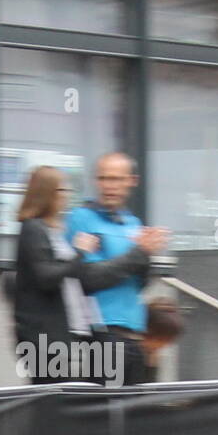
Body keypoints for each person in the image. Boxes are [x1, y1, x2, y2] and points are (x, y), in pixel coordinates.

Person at [13, 165, 155, 386]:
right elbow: (46, 277)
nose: (66, 196)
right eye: (62, 190)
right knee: (52, 399)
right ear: (48, 194)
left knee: (66, 397)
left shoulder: (52, 231)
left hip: (59, 332)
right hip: (42, 336)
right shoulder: (33, 229)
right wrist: (80, 254)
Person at [65, 153, 169, 386]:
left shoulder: (132, 223)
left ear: (132, 181)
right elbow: (89, 277)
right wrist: (140, 253)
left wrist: (148, 255)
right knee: (105, 416)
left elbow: (139, 283)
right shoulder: (82, 218)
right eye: (103, 178)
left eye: (116, 179)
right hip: (102, 333)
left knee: (136, 418)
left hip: (135, 333)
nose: (108, 186)